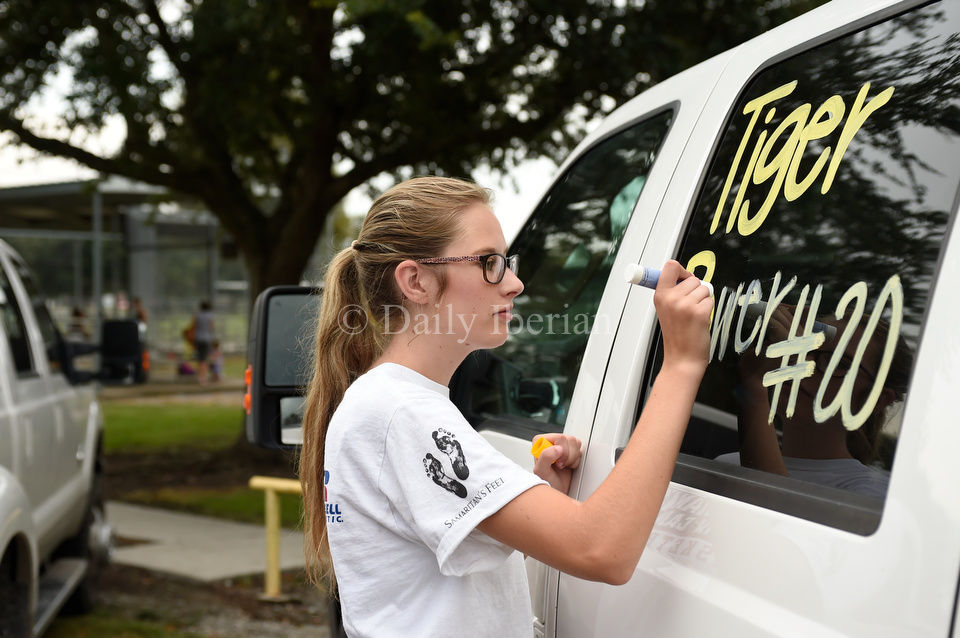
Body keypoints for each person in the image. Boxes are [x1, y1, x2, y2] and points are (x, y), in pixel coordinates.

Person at [299, 176, 713, 638]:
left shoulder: (395, 404)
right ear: (415, 280)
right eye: (489, 263)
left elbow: (448, 581)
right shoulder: (401, 412)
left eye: (506, 262)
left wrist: (538, 499)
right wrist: (681, 364)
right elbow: (603, 550)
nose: (514, 283)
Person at [718, 305, 912, 499]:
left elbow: (775, 520)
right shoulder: (728, 464)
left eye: (837, 363)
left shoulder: (871, 496)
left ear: (876, 398)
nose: (801, 364)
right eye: (805, 347)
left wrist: (753, 388)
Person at [190, 300, 216, 384]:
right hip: (206, 339)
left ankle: (200, 377)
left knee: (200, 359)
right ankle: (203, 378)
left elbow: (193, 327)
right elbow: (211, 328)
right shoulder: (210, 316)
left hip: (198, 339)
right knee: (205, 359)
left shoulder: (197, 315)